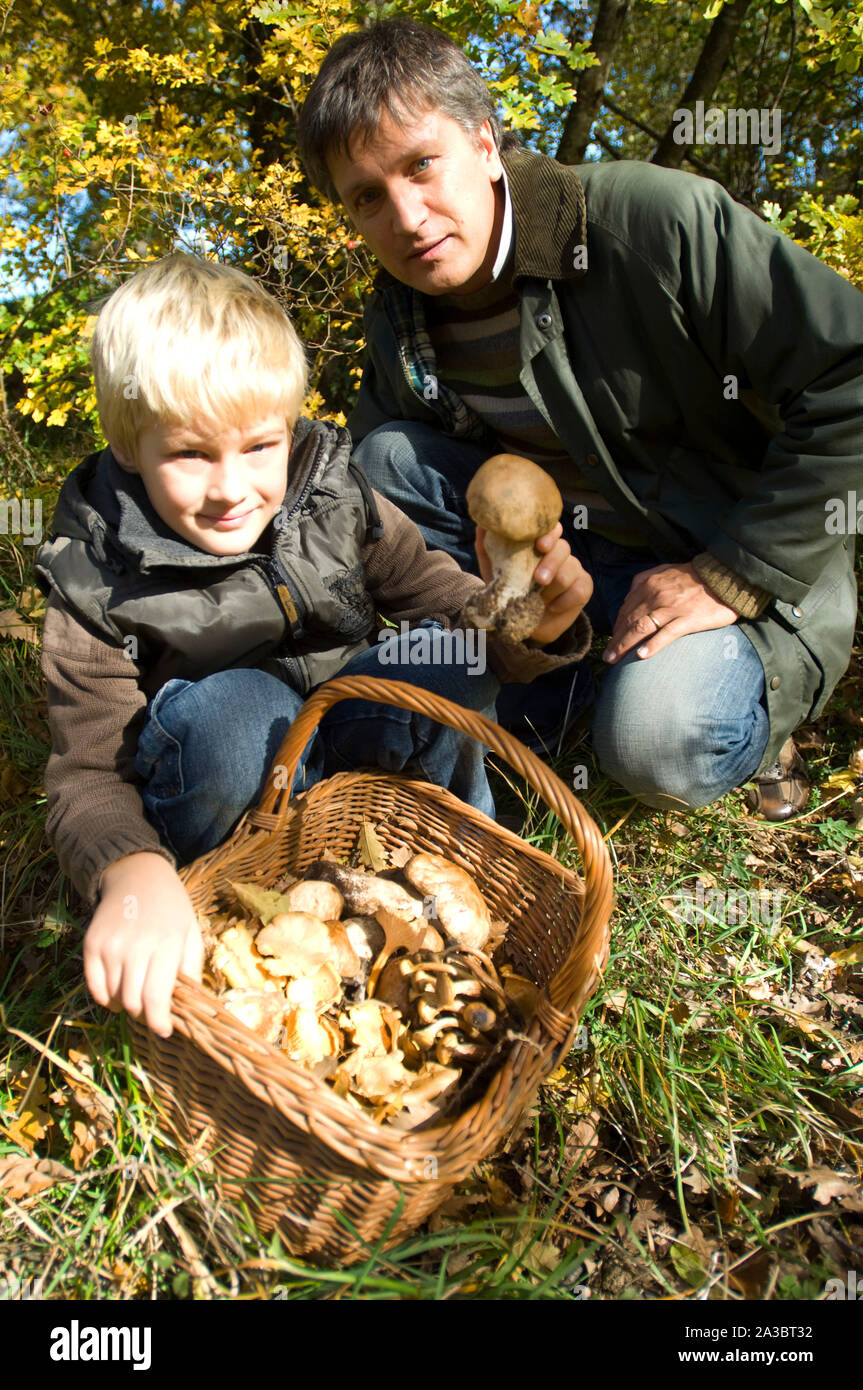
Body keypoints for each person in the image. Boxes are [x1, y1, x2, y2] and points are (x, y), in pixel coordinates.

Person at [297, 16, 863, 821]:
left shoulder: (649, 224)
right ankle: (557, 675)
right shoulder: (399, 319)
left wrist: (735, 572)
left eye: (422, 166)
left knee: (655, 743)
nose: (408, 217)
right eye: (368, 198)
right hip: (573, 577)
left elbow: (851, 373)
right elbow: (363, 513)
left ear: (485, 145)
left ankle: (734, 713)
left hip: (734, 550)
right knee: (382, 461)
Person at [35, 253, 592, 1037]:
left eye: (259, 446)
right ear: (129, 446)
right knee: (241, 709)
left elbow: (443, 601)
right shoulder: (98, 576)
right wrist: (130, 871)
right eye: (191, 454)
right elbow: (85, 776)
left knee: (443, 656)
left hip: (350, 728)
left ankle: (455, 879)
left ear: (290, 427)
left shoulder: (334, 495)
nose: (233, 489)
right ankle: (246, 900)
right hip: (230, 779)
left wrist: (522, 626)